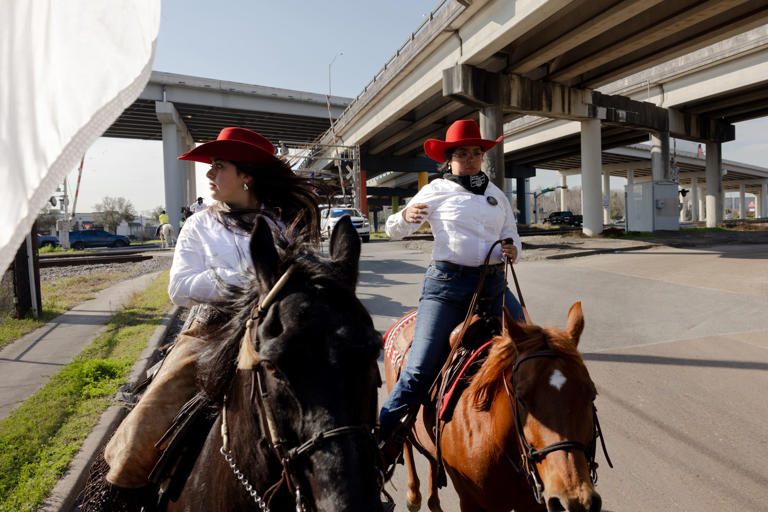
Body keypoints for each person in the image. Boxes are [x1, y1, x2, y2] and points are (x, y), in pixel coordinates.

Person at [103, 127, 320, 489]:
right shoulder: (198, 224)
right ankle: (120, 491)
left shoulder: (286, 222)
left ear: (247, 176)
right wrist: (250, 279)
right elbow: (179, 287)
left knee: (342, 387)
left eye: (219, 166)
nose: (208, 174)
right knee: (145, 423)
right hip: (211, 331)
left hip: (281, 327)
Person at [378, 119, 526, 456]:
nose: (471, 159)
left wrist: (514, 248)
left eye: (476, 153)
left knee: (530, 348)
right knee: (419, 369)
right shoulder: (435, 190)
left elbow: (512, 233)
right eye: (462, 154)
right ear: (449, 159)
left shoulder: (496, 195)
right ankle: (380, 444)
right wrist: (405, 218)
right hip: (447, 286)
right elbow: (392, 230)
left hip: (493, 284)